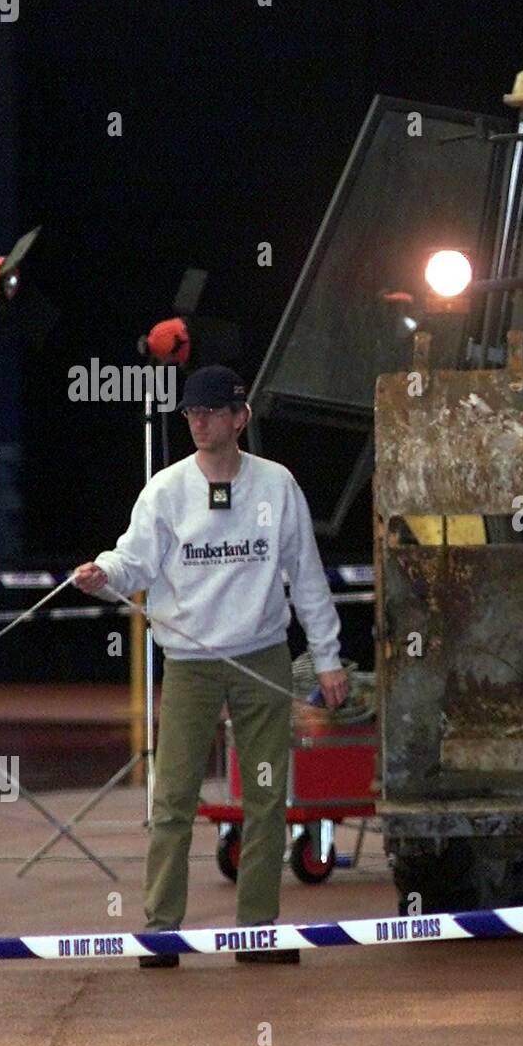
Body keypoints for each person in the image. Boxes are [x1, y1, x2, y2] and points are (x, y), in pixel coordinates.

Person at [75, 364, 348, 968]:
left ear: (239, 418)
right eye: (191, 414)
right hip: (191, 665)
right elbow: (133, 562)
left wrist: (327, 659)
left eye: (210, 413)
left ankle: (258, 929)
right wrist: (103, 575)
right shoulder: (167, 490)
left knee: (268, 797)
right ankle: (161, 930)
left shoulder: (277, 485)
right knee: (172, 798)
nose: (198, 422)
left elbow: (307, 577)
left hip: (262, 658)